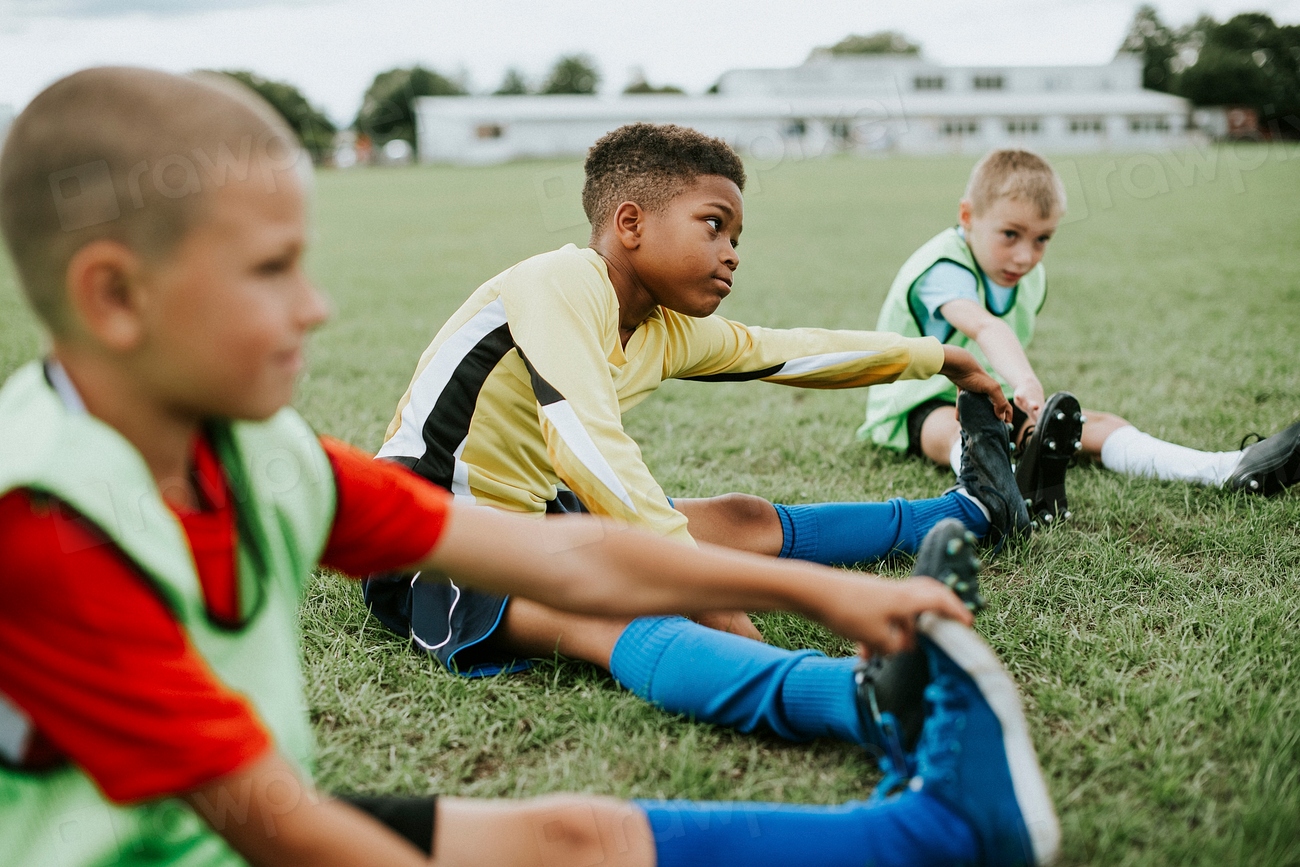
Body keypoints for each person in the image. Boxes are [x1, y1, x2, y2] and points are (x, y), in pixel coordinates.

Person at [0, 67, 1060, 867]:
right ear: (115, 298)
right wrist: (742, 604)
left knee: (583, 817)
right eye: (272, 270)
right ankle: (884, 749)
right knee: (573, 825)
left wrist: (820, 593)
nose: (315, 306)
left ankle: (933, 817)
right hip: (229, 824)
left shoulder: (261, 450)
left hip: (481, 556)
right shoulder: (49, 531)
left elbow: (585, 541)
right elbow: (280, 832)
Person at [369, 123, 1032, 698]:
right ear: (630, 223)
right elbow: (583, 436)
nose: (732, 250)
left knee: (739, 517)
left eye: (737, 234)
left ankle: (974, 511)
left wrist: (943, 359)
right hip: (428, 536)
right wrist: (699, 585)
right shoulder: (558, 282)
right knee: (624, 613)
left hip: (531, 520)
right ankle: (848, 695)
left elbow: (789, 353)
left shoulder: (661, 325)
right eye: (714, 224)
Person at [858, 148, 1300, 523]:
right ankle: (993, 486)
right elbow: (983, 325)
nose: (1025, 255)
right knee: (951, 426)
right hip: (915, 402)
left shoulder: (1027, 274)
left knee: (1090, 424)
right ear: (968, 216)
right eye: (1010, 234)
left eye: (1042, 239)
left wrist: (1018, 397)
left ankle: (1224, 468)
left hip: (992, 397)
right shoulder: (942, 267)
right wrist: (1027, 383)